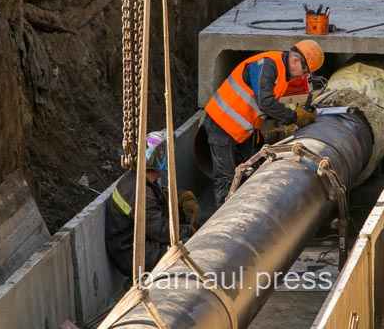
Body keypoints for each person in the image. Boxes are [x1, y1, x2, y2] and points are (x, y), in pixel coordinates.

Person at [204, 40, 325, 207]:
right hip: (221, 123)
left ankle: (249, 207)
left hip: (241, 129)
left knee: (251, 168)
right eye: (305, 72)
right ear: (296, 60)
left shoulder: (281, 71)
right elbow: (266, 102)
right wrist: (295, 117)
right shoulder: (267, 65)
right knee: (225, 177)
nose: (303, 76)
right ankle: (223, 214)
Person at [105, 131, 201, 278]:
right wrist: (190, 230)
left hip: (135, 244)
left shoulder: (136, 178)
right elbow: (161, 231)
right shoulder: (140, 192)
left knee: (180, 217)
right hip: (134, 255)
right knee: (189, 246)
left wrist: (180, 197)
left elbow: (157, 199)